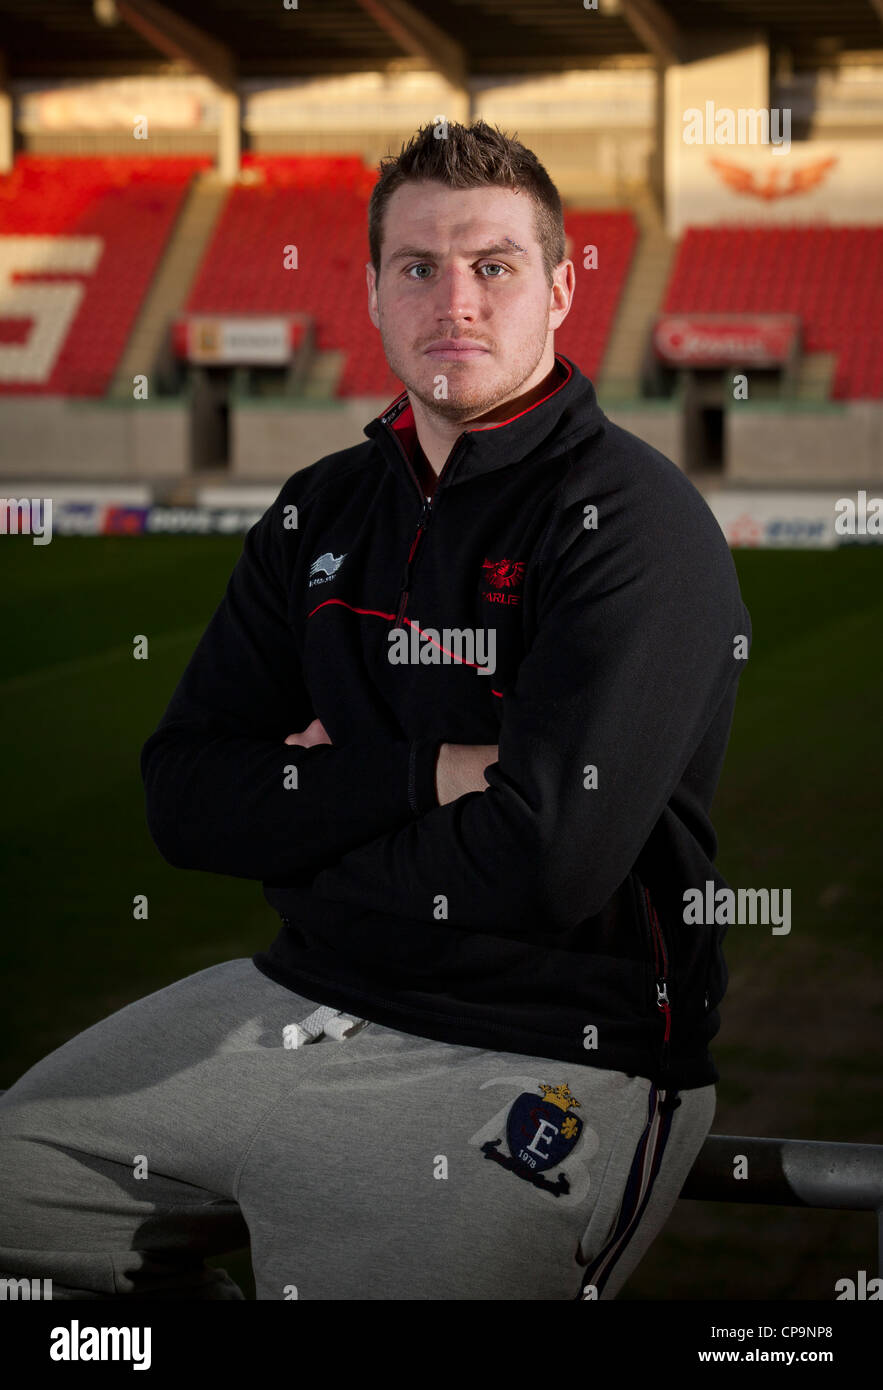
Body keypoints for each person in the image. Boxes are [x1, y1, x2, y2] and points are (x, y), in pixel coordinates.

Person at [0, 120, 750, 1301]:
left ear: (559, 289)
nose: (455, 297)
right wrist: (426, 774)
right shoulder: (322, 508)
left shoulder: (635, 528)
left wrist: (302, 839)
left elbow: (547, 862)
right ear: (371, 291)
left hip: (545, 1040)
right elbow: (185, 795)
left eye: (493, 265)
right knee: (16, 1171)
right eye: (418, 266)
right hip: (304, 994)